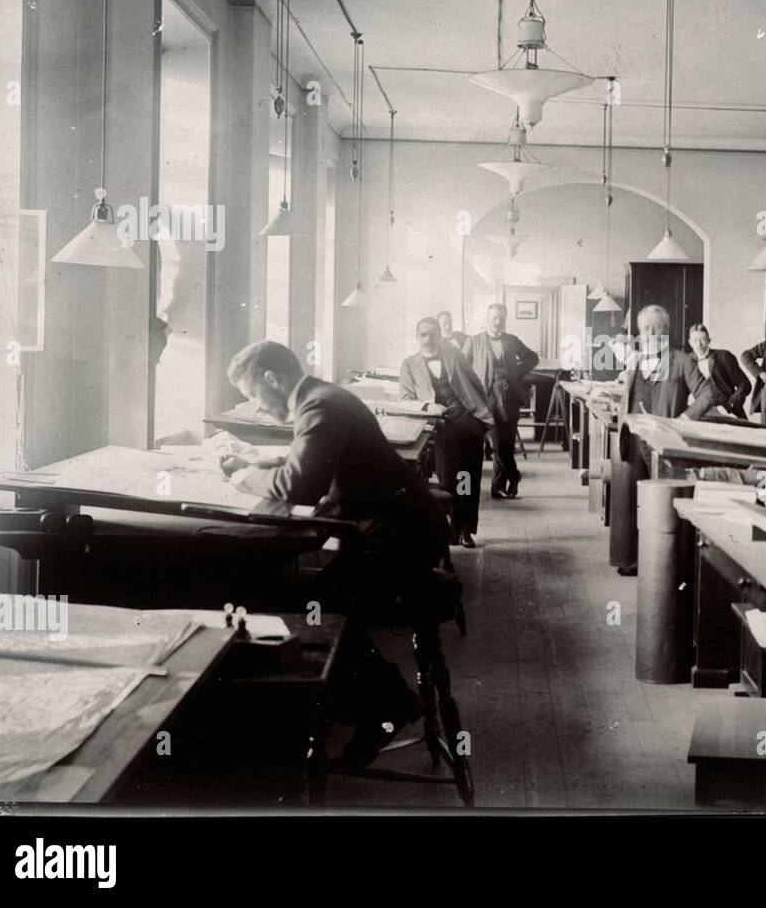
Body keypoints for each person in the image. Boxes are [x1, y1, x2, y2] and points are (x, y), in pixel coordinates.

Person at [219, 340, 450, 768]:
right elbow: (311, 462)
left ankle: (388, 704)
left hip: (402, 539)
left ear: (272, 378)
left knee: (314, 609)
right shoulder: (320, 396)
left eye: (253, 395)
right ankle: (383, 700)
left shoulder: (319, 405)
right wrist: (267, 465)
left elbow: (301, 485)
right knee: (313, 600)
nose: (256, 406)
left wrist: (244, 479)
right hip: (397, 530)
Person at [614, 305, 721, 576]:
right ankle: (639, 560)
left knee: (663, 503)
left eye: (657, 328)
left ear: (667, 331)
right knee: (636, 501)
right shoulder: (635, 359)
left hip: (664, 443)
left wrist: (684, 419)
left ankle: (664, 567)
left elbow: (709, 393)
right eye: (646, 328)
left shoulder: (682, 360)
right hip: (634, 441)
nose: (651, 333)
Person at [398, 317, 494, 548]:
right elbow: (405, 399)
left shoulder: (454, 354)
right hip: (441, 429)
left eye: (433, 333)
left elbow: (476, 383)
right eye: (423, 334)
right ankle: (451, 528)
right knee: (448, 482)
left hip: (469, 426)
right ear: (417, 336)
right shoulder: (409, 364)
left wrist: (482, 411)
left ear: (440, 335)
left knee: (467, 480)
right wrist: (429, 407)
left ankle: (466, 530)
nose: (428, 338)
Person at [463, 303, 540, 499]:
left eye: (501, 318)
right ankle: (514, 475)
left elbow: (532, 358)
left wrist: (516, 373)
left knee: (506, 443)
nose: (498, 322)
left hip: (509, 399)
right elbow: (462, 368)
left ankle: (498, 487)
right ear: (487, 319)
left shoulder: (512, 340)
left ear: (505, 320)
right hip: (485, 399)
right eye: (494, 318)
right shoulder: (474, 341)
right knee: (496, 443)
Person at [687, 323, 749, 419]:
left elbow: (744, 384)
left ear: (709, 340)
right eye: (695, 340)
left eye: (703, 339)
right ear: (690, 343)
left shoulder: (723, 357)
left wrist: (732, 404)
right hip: (698, 411)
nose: (699, 344)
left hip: (723, 411)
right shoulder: (687, 360)